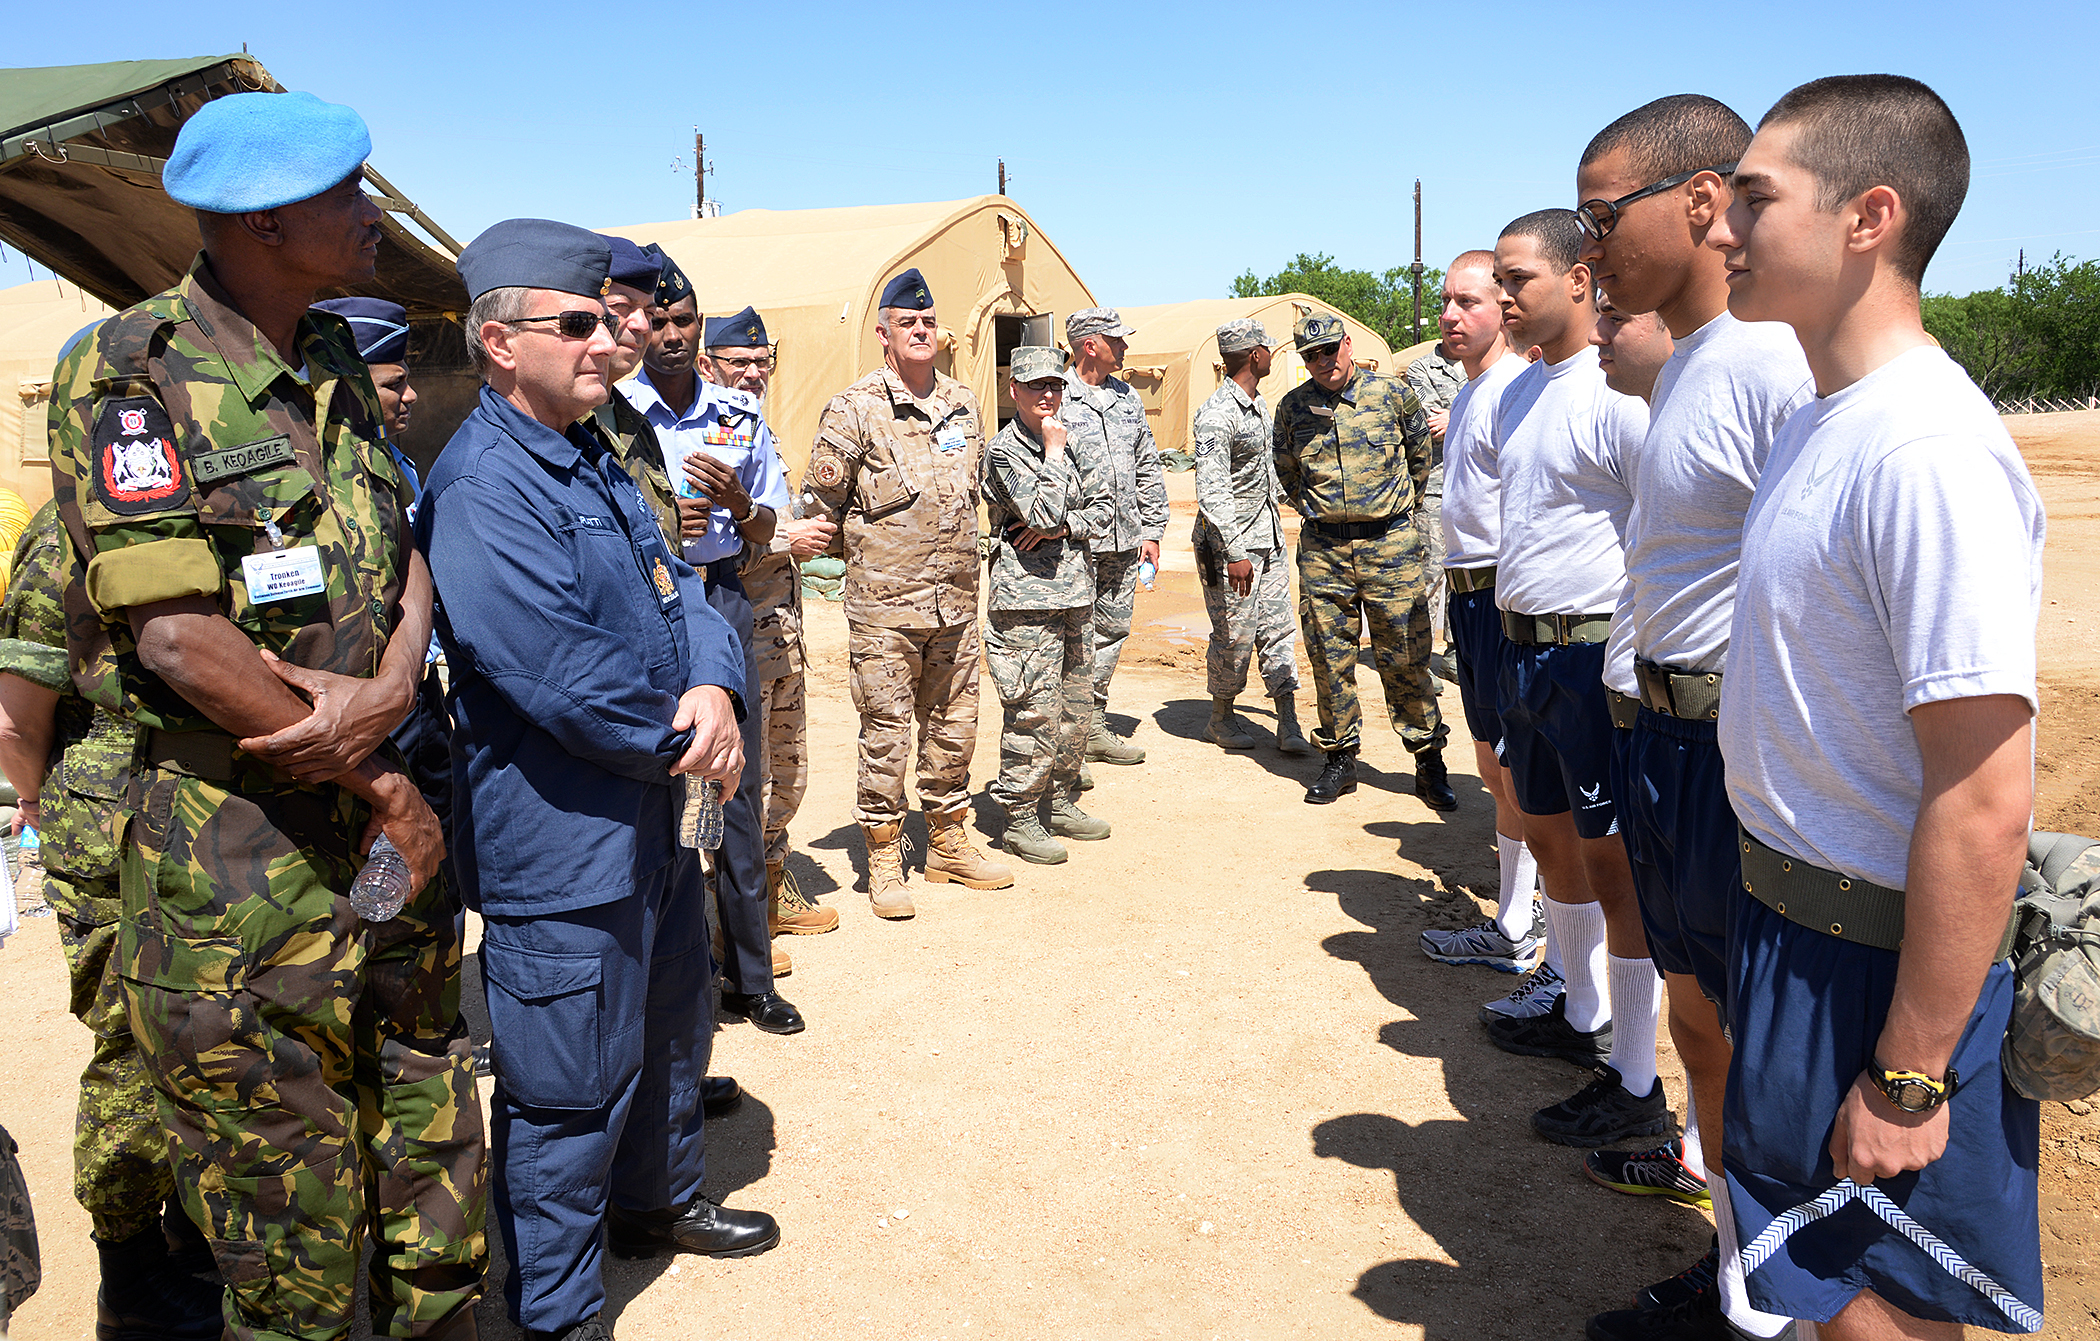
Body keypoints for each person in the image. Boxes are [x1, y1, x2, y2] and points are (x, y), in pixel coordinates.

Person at [45, 91, 483, 1339]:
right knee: (284, 1201)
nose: (367, 213)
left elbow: (403, 544)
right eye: (346, 194)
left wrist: (398, 677)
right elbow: (179, 635)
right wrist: (383, 781)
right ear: (268, 219)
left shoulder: (337, 354)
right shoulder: (130, 369)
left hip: (384, 835)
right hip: (239, 859)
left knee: (425, 1123)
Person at [1708, 75, 2044, 1340]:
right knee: (1812, 1279)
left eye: (1755, 199)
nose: (1724, 228)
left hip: (1876, 961)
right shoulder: (1826, 422)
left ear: (1869, 217)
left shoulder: (1926, 452)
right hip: (1790, 921)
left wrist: (1908, 1073)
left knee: (1878, 1306)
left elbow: (1983, 793)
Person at [415, 218, 778, 1341]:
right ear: (497, 341)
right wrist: (686, 739)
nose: (605, 340)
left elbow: (687, 579)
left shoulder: (588, 450)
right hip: (562, 844)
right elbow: (551, 668)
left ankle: (659, 1202)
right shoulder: (481, 484)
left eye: (604, 319)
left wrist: (716, 692)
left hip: (654, 821)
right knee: (567, 1094)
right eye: (575, 324)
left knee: (672, 1031)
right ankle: (557, 1311)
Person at [1573, 94, 1819, 1341]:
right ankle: (1738, 1277)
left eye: (1603, 214)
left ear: (1703, 201)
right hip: (1664, 740)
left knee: (1761, 1053)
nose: (1589, 244)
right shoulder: (1693, 366)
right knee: (1703, 1028)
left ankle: (1774, 1303)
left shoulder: (1771, 361)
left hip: (1730, 755)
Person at [0, 499, 222, 1340]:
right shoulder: (66, 527)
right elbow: (19, 716)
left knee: (209, 1034)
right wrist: (33, 797)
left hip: (211, 823)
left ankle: (187, 1235)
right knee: (130, 1048)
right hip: (113, 831)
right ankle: (127, 1279)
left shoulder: (222, 496)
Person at [1483, 210, 1663, 1150]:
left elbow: (1658, 531)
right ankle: (1580, 1008)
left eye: (1520, 280)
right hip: (1524, 650)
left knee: (1614, 863)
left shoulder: (1616, 391)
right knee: (1549, 836)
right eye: (1501, 282)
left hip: (1591, 655)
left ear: (1581, 277)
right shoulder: (1520, 393)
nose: (1506, 297)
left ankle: (1634, 1072)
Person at [616, 241, 803, 1034]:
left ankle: (748, 979)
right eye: (655, 318)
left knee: (736, 785)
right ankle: (681, 983)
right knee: (660, 794)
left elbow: (774, 524)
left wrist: (737, 508)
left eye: (683, 318)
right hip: (646, 608)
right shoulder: (611, 414)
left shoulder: (739, 415)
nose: (669, 331)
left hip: (723, 600)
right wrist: (663, 529)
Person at [800, 269, 1012, 916]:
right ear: (883, 332)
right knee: (886, 731)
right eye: (907, 321)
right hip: (885, 611)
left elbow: (974, 490)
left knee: (956, 725)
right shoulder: (855, 407)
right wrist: (871, 564)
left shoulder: (962, 403)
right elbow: (820, 508)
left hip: (955, 601)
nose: (920, 330)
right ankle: (884, 853)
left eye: (927, 321)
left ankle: (947, 838)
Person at [1272, 312, 1455, 810]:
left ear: (1347, 345)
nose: (1323, 361)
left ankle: (1427, 762)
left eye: (1330, 350)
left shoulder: (1392, 395)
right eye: (1311, 355)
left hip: (1390, 546)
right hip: (1324, 549)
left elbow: (1420, 458)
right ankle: (1340, 759)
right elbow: (1286, 470)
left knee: (1406, 656)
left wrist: (1391, 513)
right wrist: (1323, 511)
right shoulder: (1292, 408)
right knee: (1329, 657)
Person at [1418, 253, 1543, 978]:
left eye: (1469, 301)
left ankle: (1522, 925)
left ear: (1504, 307)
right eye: (1446, 302)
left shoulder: (1512, 392)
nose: (1451, 315)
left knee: (1516, 769)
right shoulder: (1468, 396)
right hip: (1467, 597)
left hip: (1500, 595)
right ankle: (1516, 918)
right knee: (1494, 765)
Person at [701, 306, 840, 937]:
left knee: (785, 767)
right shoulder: (702, 435)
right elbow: (706, 542)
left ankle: (770, 896)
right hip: (728, 631)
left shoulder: (757, 429)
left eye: (764, 362)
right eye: (740, 363)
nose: (755, 373)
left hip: (778, 629)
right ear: (708, 365)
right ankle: (728, 921)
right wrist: (786, 537)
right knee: (730, 779)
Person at [980, 346, 1115, 863]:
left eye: (1055, 386)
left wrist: (1062, 528)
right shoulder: (1005, 450)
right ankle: (1017, 816)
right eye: (1036, 386)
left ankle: (1057, 799)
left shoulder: (1071, 439)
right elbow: (1042, 509)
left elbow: (1104, 512)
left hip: (1076, 594)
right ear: (1014, 391)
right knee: (1033, 711)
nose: (1048, 395)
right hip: (1025, 604)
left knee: (1076, 710)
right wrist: (1055, 466)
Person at [1058, 308, 1167, 773]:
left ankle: (1094, 725)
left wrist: (1152, 531)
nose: (1124, 347)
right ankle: (1068, 742)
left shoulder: (1127, 398)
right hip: (1078, 545)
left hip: (1125, 541)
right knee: (1073, 641)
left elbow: (1147, 465)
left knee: (1112, 633)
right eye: (1116, 340)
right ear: (1090, 345)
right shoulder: (1057, 398)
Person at [1191, 318, 1306, 754]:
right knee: (1235, 636)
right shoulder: (1217, 415)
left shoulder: (1258, 406)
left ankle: (1288, 718)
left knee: (1278, 629)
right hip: (1230, 547)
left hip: (1269, 539)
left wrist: (1304, 503)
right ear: (1254, 355)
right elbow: (1213, 490)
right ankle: (1221, 717)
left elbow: (1265, 476)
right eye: (1268, 350)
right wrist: (1235, 552)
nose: (1272, 356)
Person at [1404, 334, 1466, 667]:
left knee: (1465, 572)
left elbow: (1495, 407)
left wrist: (1454, 413)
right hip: (1435, 487)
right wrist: (1467, 410)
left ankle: (1457, 649)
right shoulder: (1421, 369)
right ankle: (1421, 660)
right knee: (1430, 573)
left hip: (1472, 485)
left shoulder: (1482, 362)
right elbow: (1432, 422)